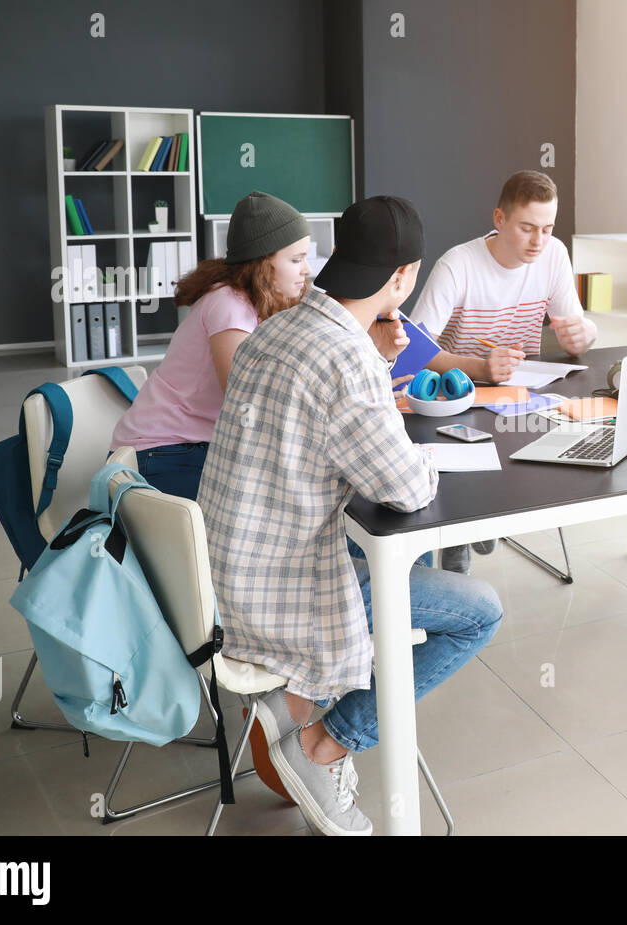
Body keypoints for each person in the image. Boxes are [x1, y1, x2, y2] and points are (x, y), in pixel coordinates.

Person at [196, 196, 502, 836]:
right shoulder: (347, 356)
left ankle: (308, 714)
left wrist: (379, 367)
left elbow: (329, 428)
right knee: (480, 612)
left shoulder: (276, 326)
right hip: (279, 596)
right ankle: (326, 741)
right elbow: (406, 488)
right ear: (404, 277)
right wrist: (387, 383)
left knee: (374, 560)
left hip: (220, 579)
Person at [409, 168, 598, 573]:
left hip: (520, 398)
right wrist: (479, 366)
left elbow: (575, 332)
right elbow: (413, 351)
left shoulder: (554, 255)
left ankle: (479, 516)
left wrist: (584, 336)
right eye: (527, 228)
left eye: (548, 228)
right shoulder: (458, 264)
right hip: (460, 396)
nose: (539, 242)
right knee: (476, 473)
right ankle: (463, 524)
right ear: (499, 220)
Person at [110, 191, 310, 499]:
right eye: (296, 260)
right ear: (263, 263)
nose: (306, 269)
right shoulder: (230, 304)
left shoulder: (254, 300)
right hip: (156, 454)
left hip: (183, 446)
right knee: (280, 498)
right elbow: (244, 395)